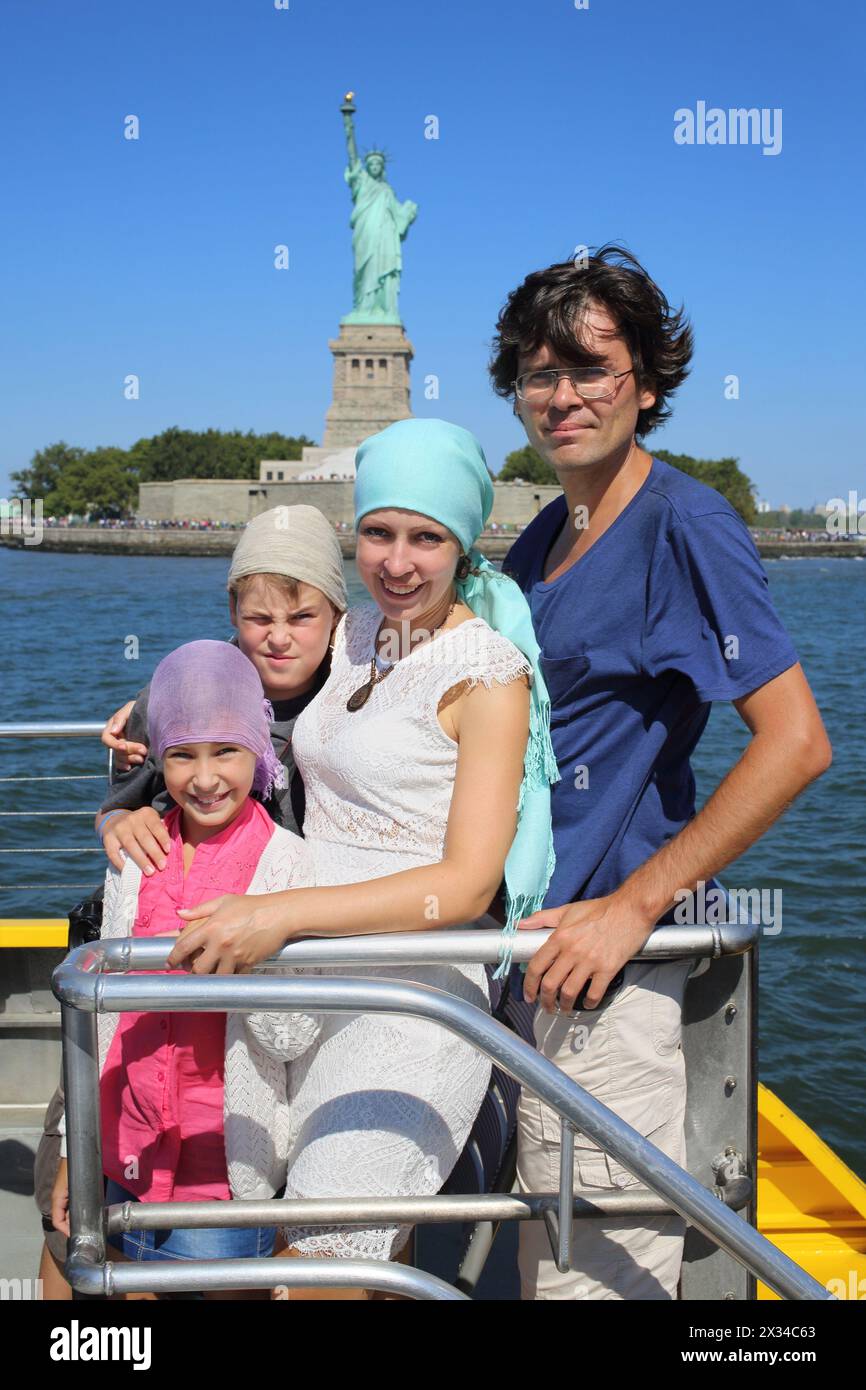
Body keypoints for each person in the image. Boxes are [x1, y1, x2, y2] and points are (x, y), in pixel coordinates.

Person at [487, 243, 832, 1300]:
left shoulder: (685, 524)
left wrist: (632, 906)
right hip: (515, 953)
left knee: (591, 1270)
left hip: (602, 973)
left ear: (644, 377)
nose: (562, 397)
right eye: (537, 374)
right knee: (520, 1239)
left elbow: (795, 741)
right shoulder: (543, 535)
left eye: (590, 368)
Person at [166, 417, 560, 1300]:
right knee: (285, 1229)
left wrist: (283, 915)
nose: (398, 561)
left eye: (427, 537)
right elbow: (252, 668)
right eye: (379, 532)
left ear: (464, 544)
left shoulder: (486, 676)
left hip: (409, 991)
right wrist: (148, 730)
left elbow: (467, 884)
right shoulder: (355, 640)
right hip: (301, 980)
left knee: (326, 1257)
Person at [34, 504, 347, 1299]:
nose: (277, 634)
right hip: (128, 1111)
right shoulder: (189, 689)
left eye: (301, 614)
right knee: (78, 1240)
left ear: (337, 615)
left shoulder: (358, 701)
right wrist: (119, 811)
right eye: (257, 617)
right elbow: (146, 784)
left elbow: (287, 1027)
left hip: (227, 1131)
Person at [50, 641, 312, 1299]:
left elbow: (293, 1039)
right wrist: (72, 1158)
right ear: (156, 759)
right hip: (122, 1156)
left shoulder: (287, 866)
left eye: (226, 751)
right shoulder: (136, 854)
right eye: (181, 755)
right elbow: (101, 1020)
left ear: (259, 752)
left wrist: (246, 964)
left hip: (223, 1169)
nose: (204, 778)